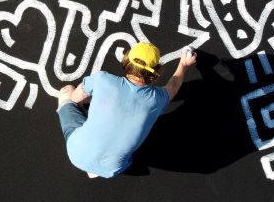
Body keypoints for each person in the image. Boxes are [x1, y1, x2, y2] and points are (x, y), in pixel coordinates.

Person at [56, 42, 197, 178]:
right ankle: (98, 168)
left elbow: (75, 98)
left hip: (77, 154)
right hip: (113, 169)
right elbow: (173, 85)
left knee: (67, 91)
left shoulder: (101, 79)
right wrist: (183, 64)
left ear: (127, 60)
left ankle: (91, 156)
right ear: (156, 70)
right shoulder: (157, 99)